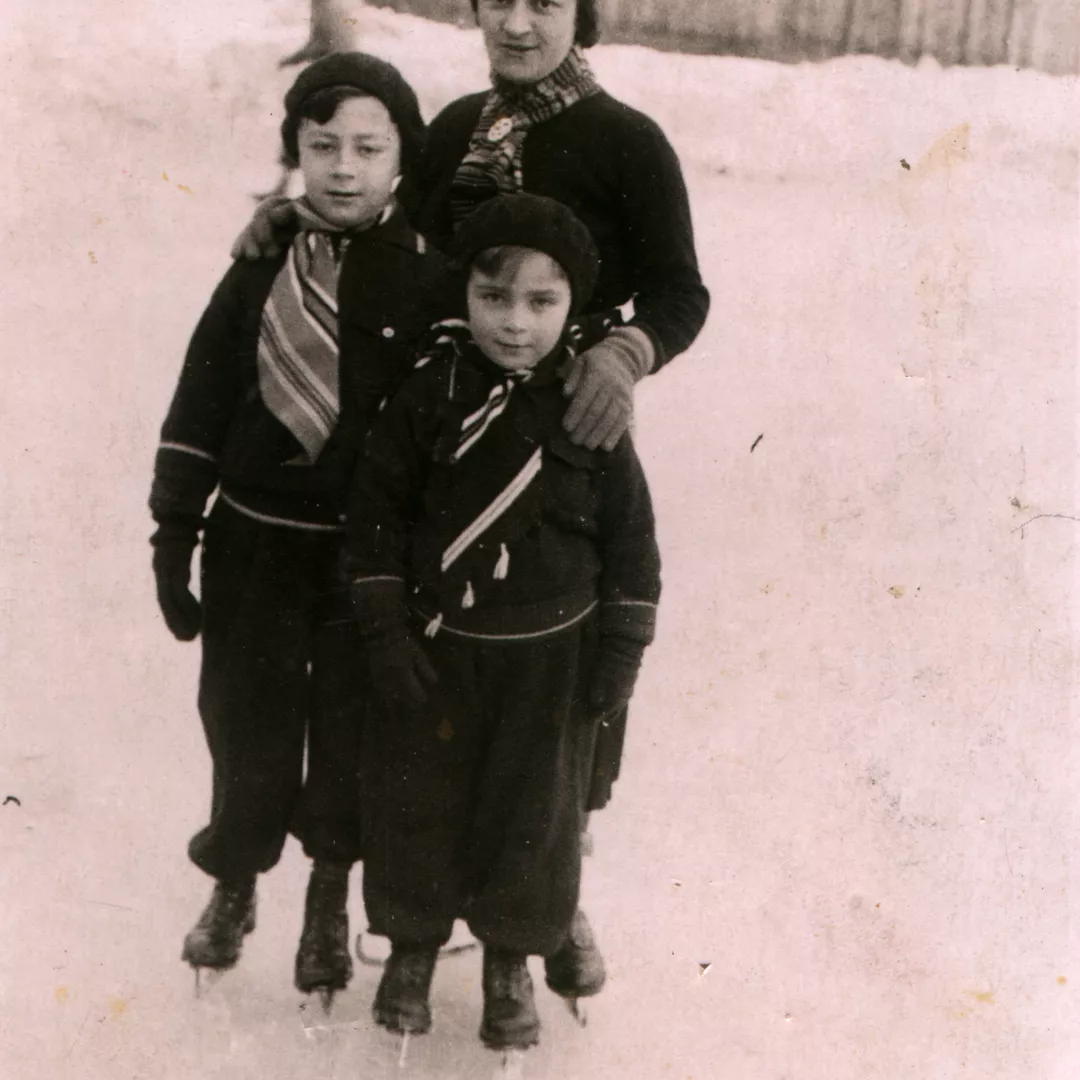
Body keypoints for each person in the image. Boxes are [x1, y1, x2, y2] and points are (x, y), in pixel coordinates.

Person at [232, 0, 708, 1006]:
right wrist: (294, 221)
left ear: (579, 15)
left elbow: (679, 290)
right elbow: (388, 234)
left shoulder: (628, 141)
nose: (521, 25)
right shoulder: (453, 131)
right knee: (435, 679)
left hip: (570, 426)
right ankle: (410, 900)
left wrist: (624, 353)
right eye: (501, 1)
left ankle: (551, 892)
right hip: (445, 430)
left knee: (565, 695)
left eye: (545, 3)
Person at [148, 53, 447, 1003]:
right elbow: (201, 401)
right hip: (255, 544)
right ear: (296, 153)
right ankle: (234, 880)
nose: (345, 169)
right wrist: (173, 531)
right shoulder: (257, 267)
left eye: (368, 147)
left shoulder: (430, 278)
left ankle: (329, 888)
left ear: (405, 156)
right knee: (245, 717)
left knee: (350, 724)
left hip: (364, 561)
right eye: (323, 147)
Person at [346, 193, 661, 1053]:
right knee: (419, 801)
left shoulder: (588, 409)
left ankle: (508, 962)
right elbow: (375, 519)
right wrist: (384, 630)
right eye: (494, 299)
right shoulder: (427, 397)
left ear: (573, 310)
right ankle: (411, 947)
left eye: (541, 303)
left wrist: (620, 657)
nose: (515, 325)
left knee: (535, 819)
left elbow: (633, 546)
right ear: (464, 298)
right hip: (438, 651)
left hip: (550, 661)